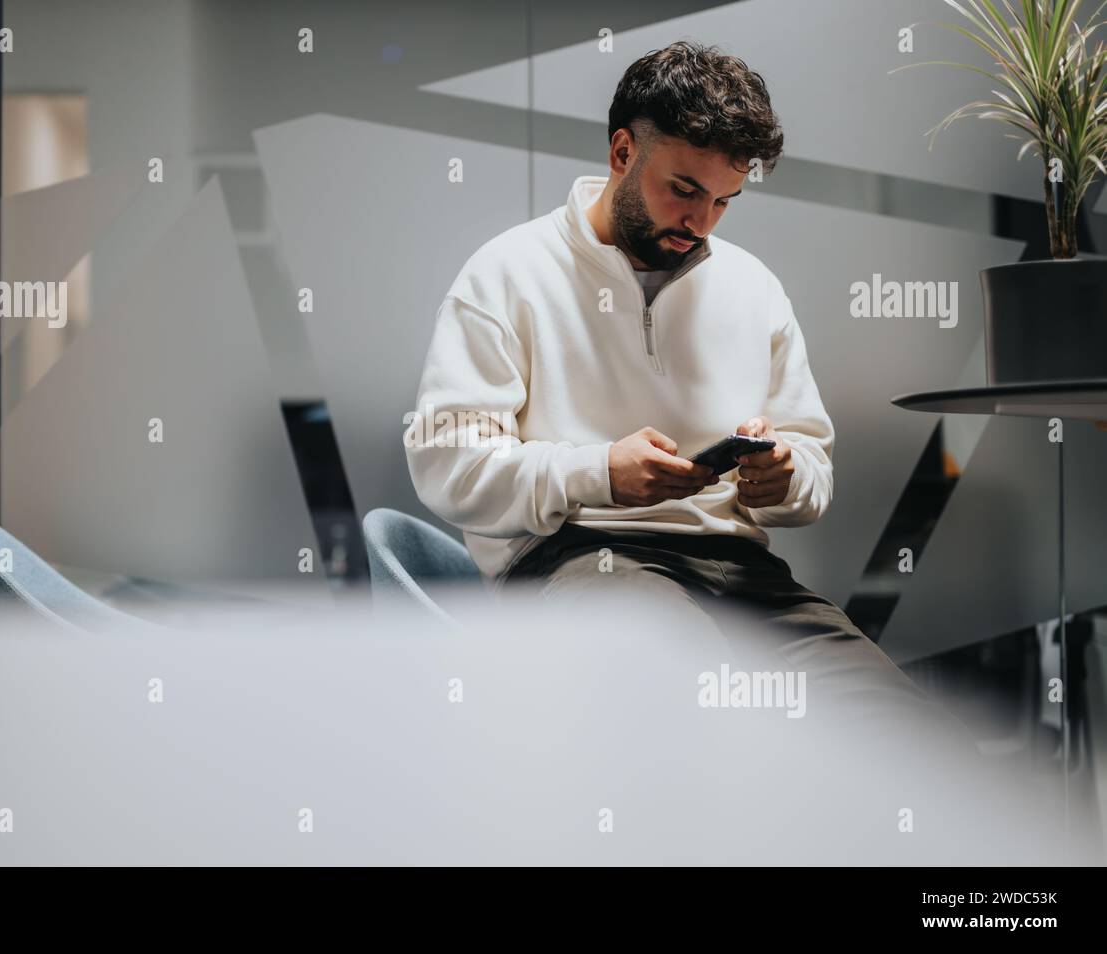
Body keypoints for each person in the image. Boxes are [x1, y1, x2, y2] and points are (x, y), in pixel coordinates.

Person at [403, 40, 974, 747]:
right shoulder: (506, 275)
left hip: (742, 574)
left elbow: (814, 468)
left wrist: (784, 478)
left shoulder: (752, 287)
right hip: (577, 560)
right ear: (622, 153)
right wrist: (598, 471)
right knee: (685, 710)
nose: (701, 222)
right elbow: (447, 464)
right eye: (684, 190)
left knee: (914, 746)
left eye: (724, 201)